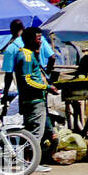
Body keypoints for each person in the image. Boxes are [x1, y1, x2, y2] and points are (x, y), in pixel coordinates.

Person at [14, 25, 57, 167]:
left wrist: (37, 54)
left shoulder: (30, 54)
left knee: (44, 133)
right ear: (31, 39)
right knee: (34, 134)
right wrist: (47, 87)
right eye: (39, 39)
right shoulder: (25, 56)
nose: (40, 42)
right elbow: (27, 80)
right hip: (33, 100)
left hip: (37, 99)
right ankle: (29, 163)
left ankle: (35, 160)